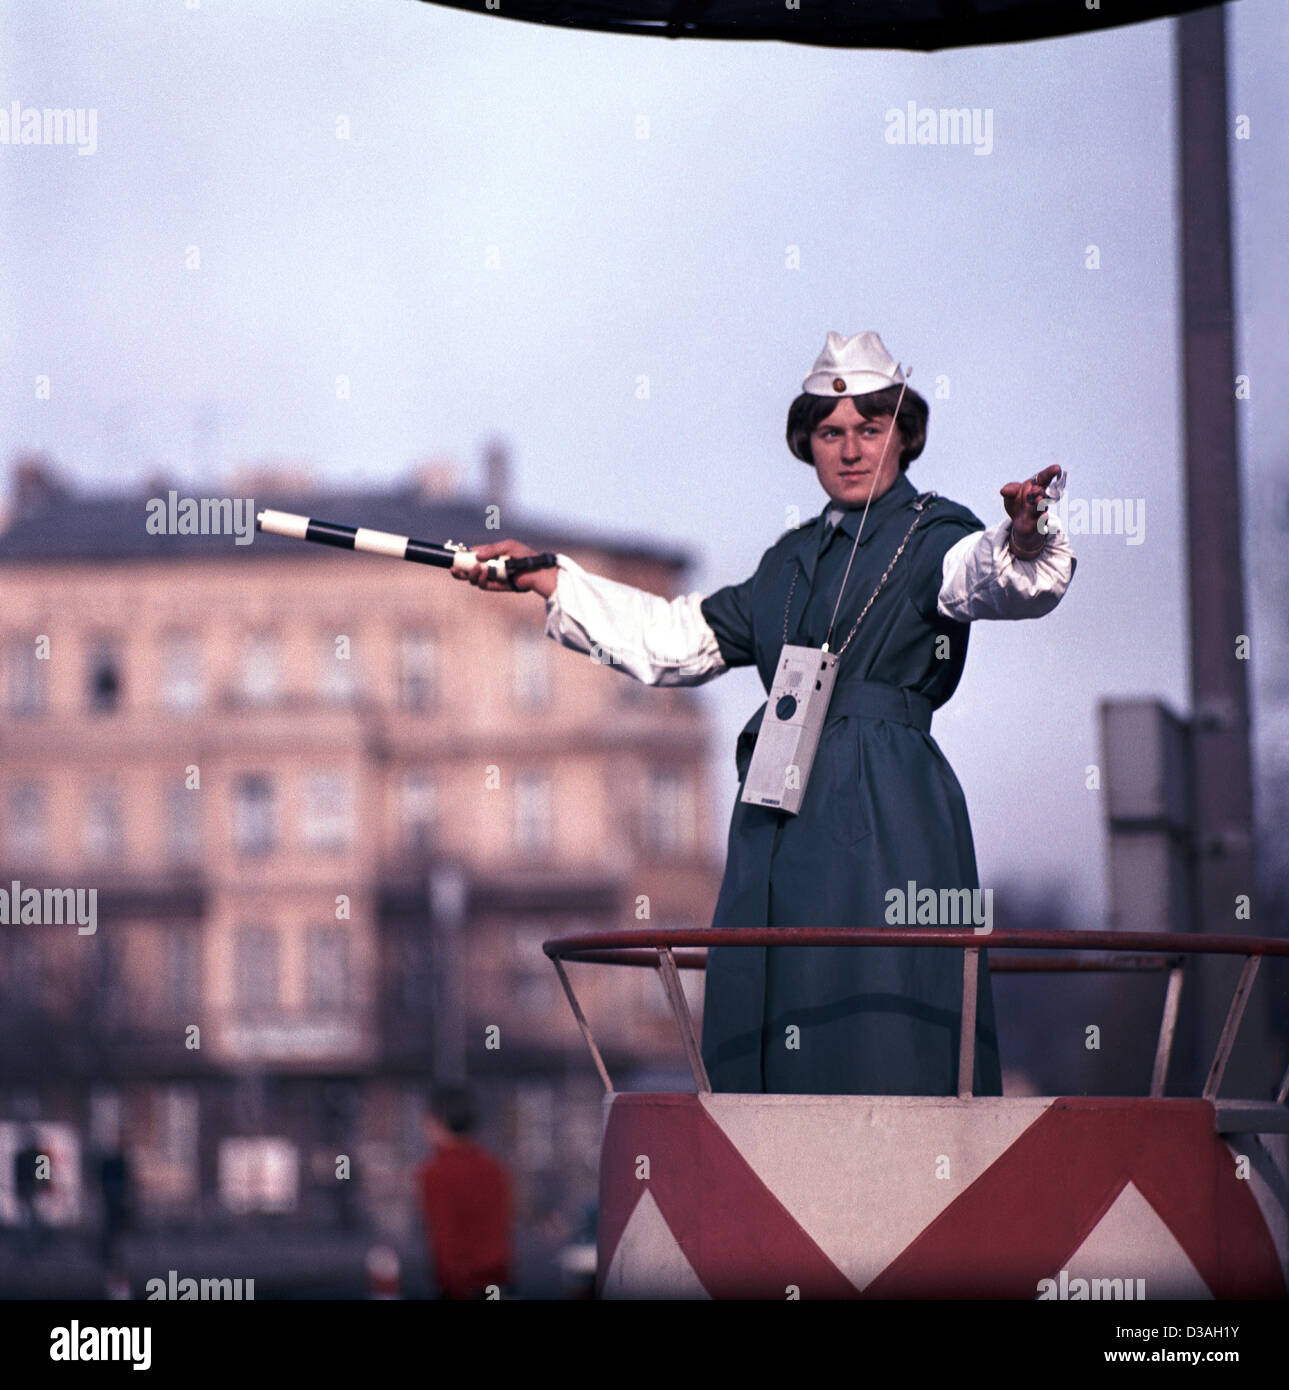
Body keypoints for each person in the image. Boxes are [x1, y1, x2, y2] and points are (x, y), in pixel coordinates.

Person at [454, 330, 1076, 1096]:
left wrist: (1025, 531)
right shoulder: (785, 561)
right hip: (773, 818)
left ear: (904, 436)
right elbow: (676, 639)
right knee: (764, 997)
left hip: (888, 812)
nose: (849, 450)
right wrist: (550, 578)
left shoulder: (936, 537)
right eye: (829, 432)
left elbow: (1001, 579)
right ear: (807, 444)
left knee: (887, 1004)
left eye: (869, 429)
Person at [415, 1086, 514, 1299]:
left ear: (437, 1122)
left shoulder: (435, 1172)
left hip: (460, 1285)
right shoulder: (494, 1167)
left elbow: (444, 1236)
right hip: (497, 1279)